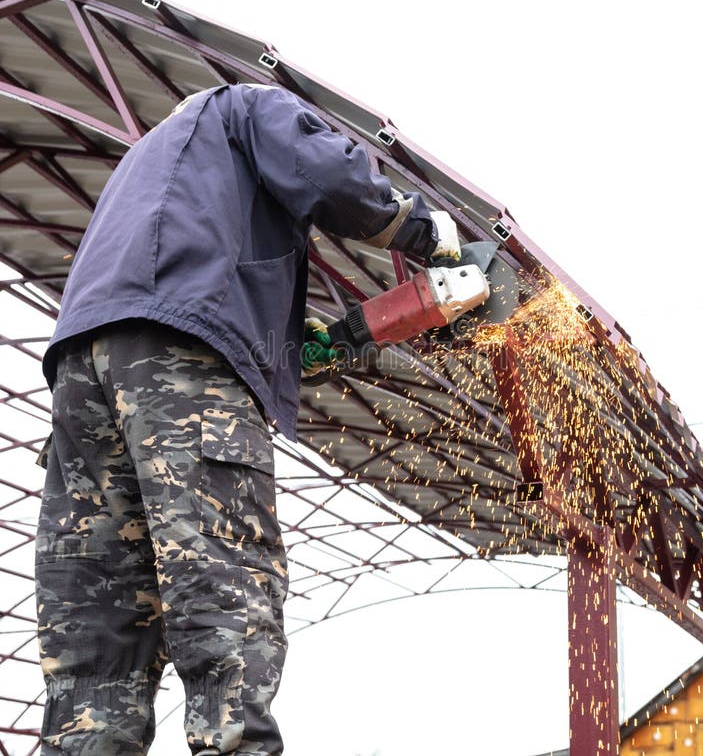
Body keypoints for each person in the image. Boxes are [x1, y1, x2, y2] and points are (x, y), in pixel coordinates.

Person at [34, 83, 461, 755]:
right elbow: (329, 174)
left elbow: (177, 285)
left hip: (81, 374)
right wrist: (418, 228)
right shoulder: (245, 104)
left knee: (97, 647)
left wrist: (290, 347)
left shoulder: (149, 164)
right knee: (224, 601)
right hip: (183, 362)